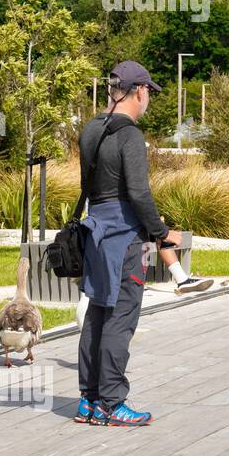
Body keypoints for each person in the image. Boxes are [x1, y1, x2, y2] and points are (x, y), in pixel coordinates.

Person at [74, 61, 181, 427]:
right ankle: (112, 403)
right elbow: (137, 192)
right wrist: (162, 233)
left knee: (97, 315)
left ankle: (88, 401)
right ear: (138, 91)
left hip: (95, 232)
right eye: (149, 90)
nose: (149, 97)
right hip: (123, 239)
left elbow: (92, 188)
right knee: (120, 319)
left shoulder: (90, 130)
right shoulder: (131, 135)